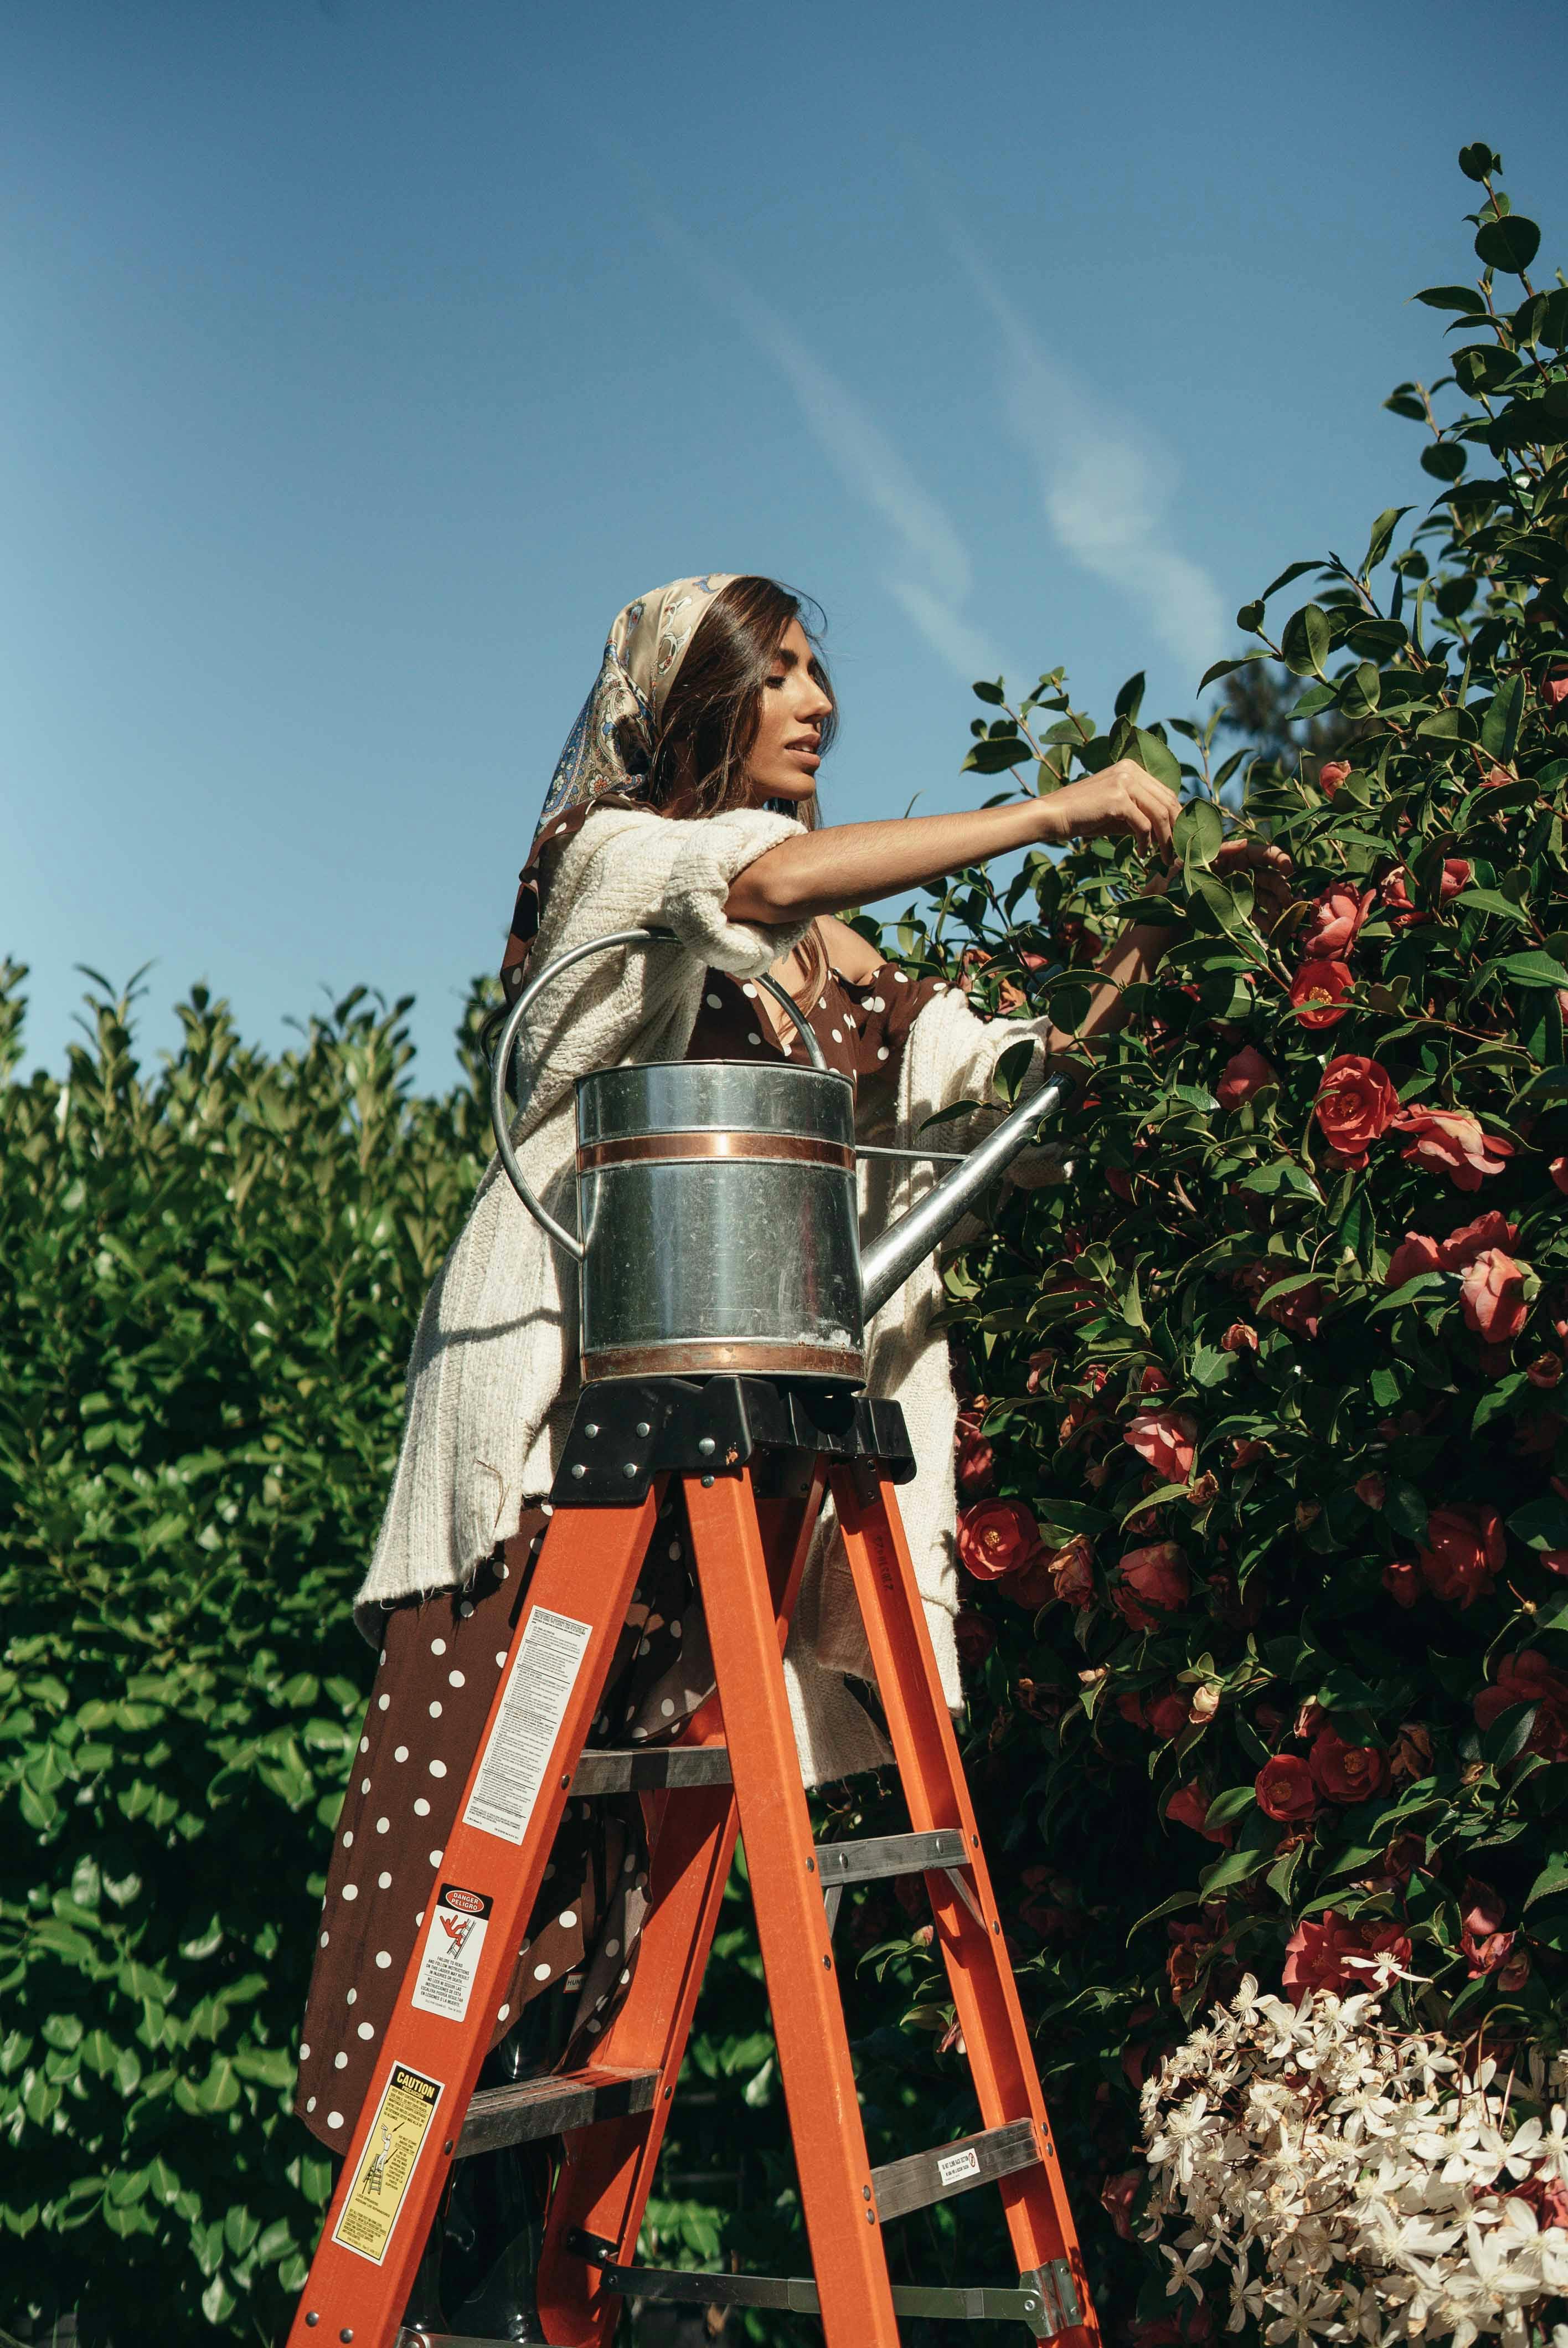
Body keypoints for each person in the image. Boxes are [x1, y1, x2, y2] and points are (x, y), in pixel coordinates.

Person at [290, 571, 1210, 2328]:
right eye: (778, 673)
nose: (820, 700)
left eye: (817, 671)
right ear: (697, 700)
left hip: (722, 1437)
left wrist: (1150, 951)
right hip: (556, 1426)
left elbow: (1000, 1092)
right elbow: (762, 878)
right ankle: (395, 2270)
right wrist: (1058, 808)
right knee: (464, 1887)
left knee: (615, 1890)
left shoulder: (828, 957)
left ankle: (510, 2291)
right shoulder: (622, 856)